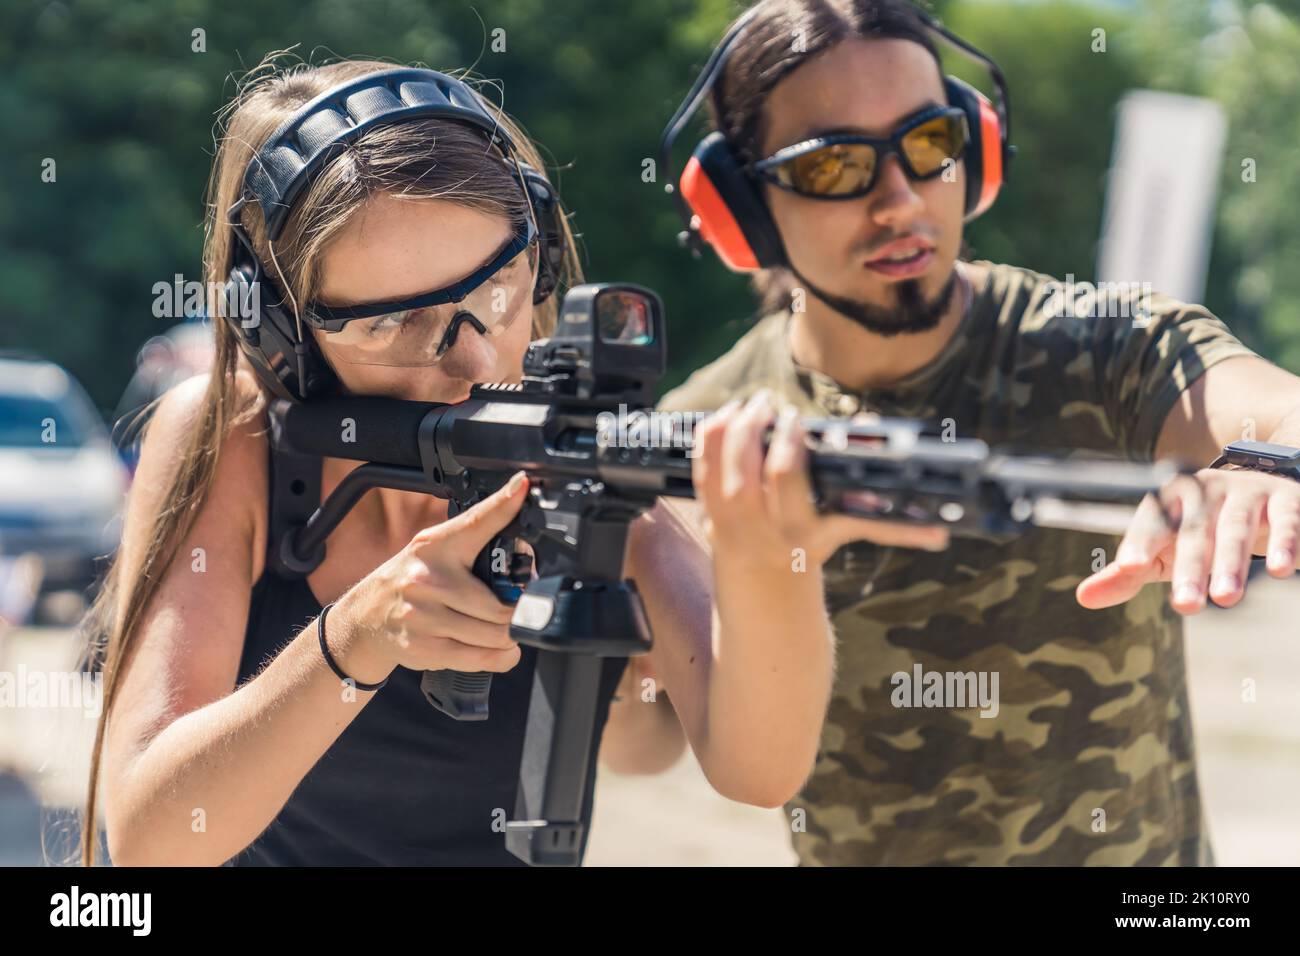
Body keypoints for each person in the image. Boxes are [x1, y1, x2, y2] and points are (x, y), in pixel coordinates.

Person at [80, 56, 930, 867]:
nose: (476, 362)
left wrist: (772, 562)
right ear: (287, 338)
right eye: (390, 325)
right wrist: (356, 640)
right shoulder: (237, 433)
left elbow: (758, 771)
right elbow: (154, 832)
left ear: (544, 260)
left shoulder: (574, 449)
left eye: (498, 290)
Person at [657, 0, 1300, 865]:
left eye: (929, 145)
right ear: (741, 207)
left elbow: (1269, 407)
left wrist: (1264, 460)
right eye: (834, 165)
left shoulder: (1103, 343)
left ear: (977, 150)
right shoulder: (695, 442)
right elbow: (648, 743)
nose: (899, 201)